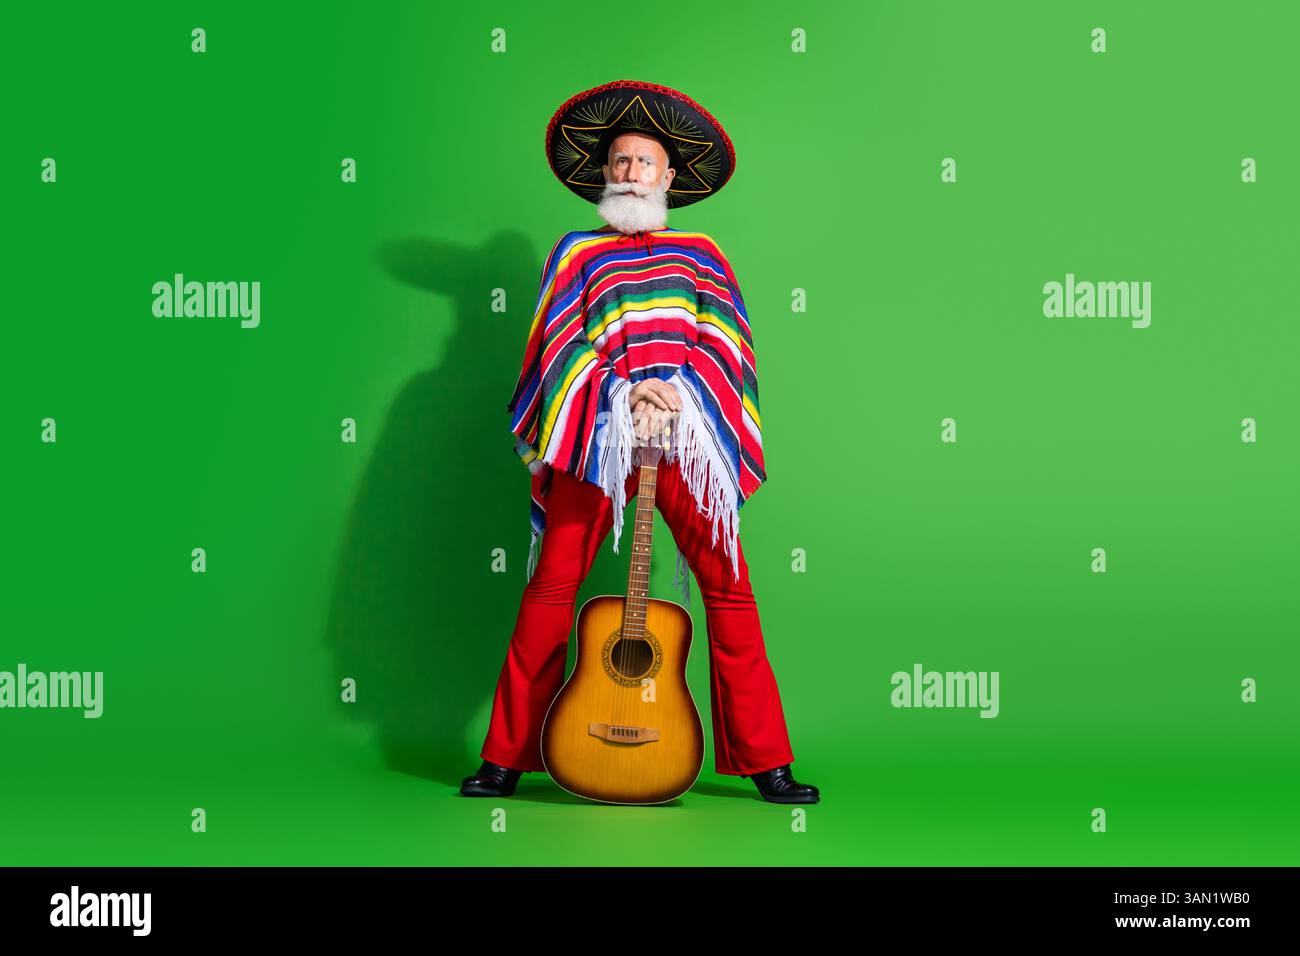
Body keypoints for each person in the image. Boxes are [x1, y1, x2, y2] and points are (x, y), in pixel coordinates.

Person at [461, 80, 818, 804]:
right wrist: (625, 395)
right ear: (604, 175)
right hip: (597, 438)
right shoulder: (574, 254)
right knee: (551, 588)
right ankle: (506, 757)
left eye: (642, 163)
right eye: (618, 162)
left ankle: (765, 760)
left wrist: (679, 395)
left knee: (730, 590)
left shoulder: (703, 254)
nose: (628, 173)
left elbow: (727, 341)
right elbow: (560, 344)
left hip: (687, 439)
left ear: (670, 177)